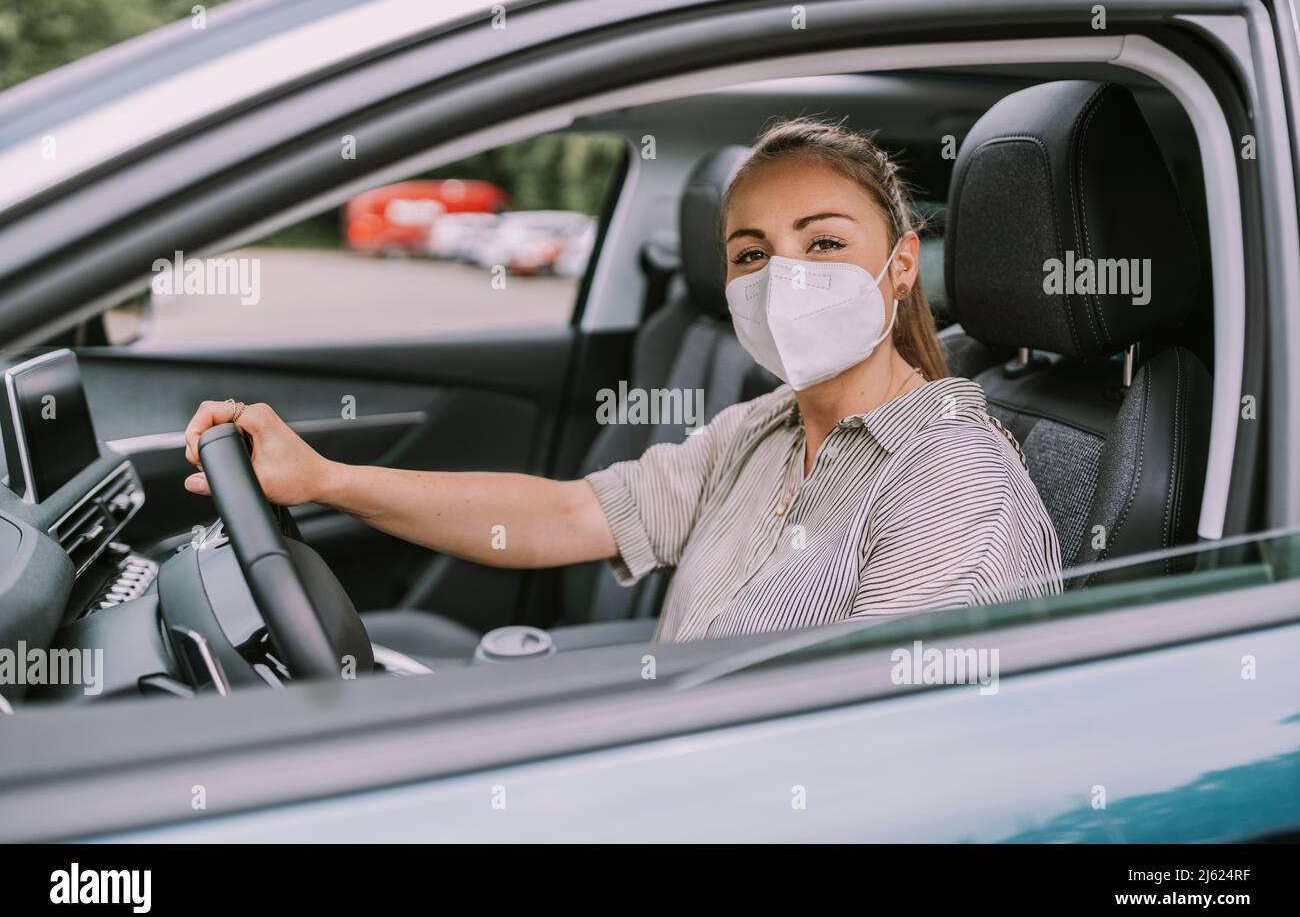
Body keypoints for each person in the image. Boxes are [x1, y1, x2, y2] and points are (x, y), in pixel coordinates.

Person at [184, 118, 1062, 645]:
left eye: (824, 242)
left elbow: (887, 768)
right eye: (752, 254)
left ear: (901, 266)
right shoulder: (762, 429)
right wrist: (326, 479)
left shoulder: (955, 486)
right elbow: (567, 515)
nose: (784, 275)